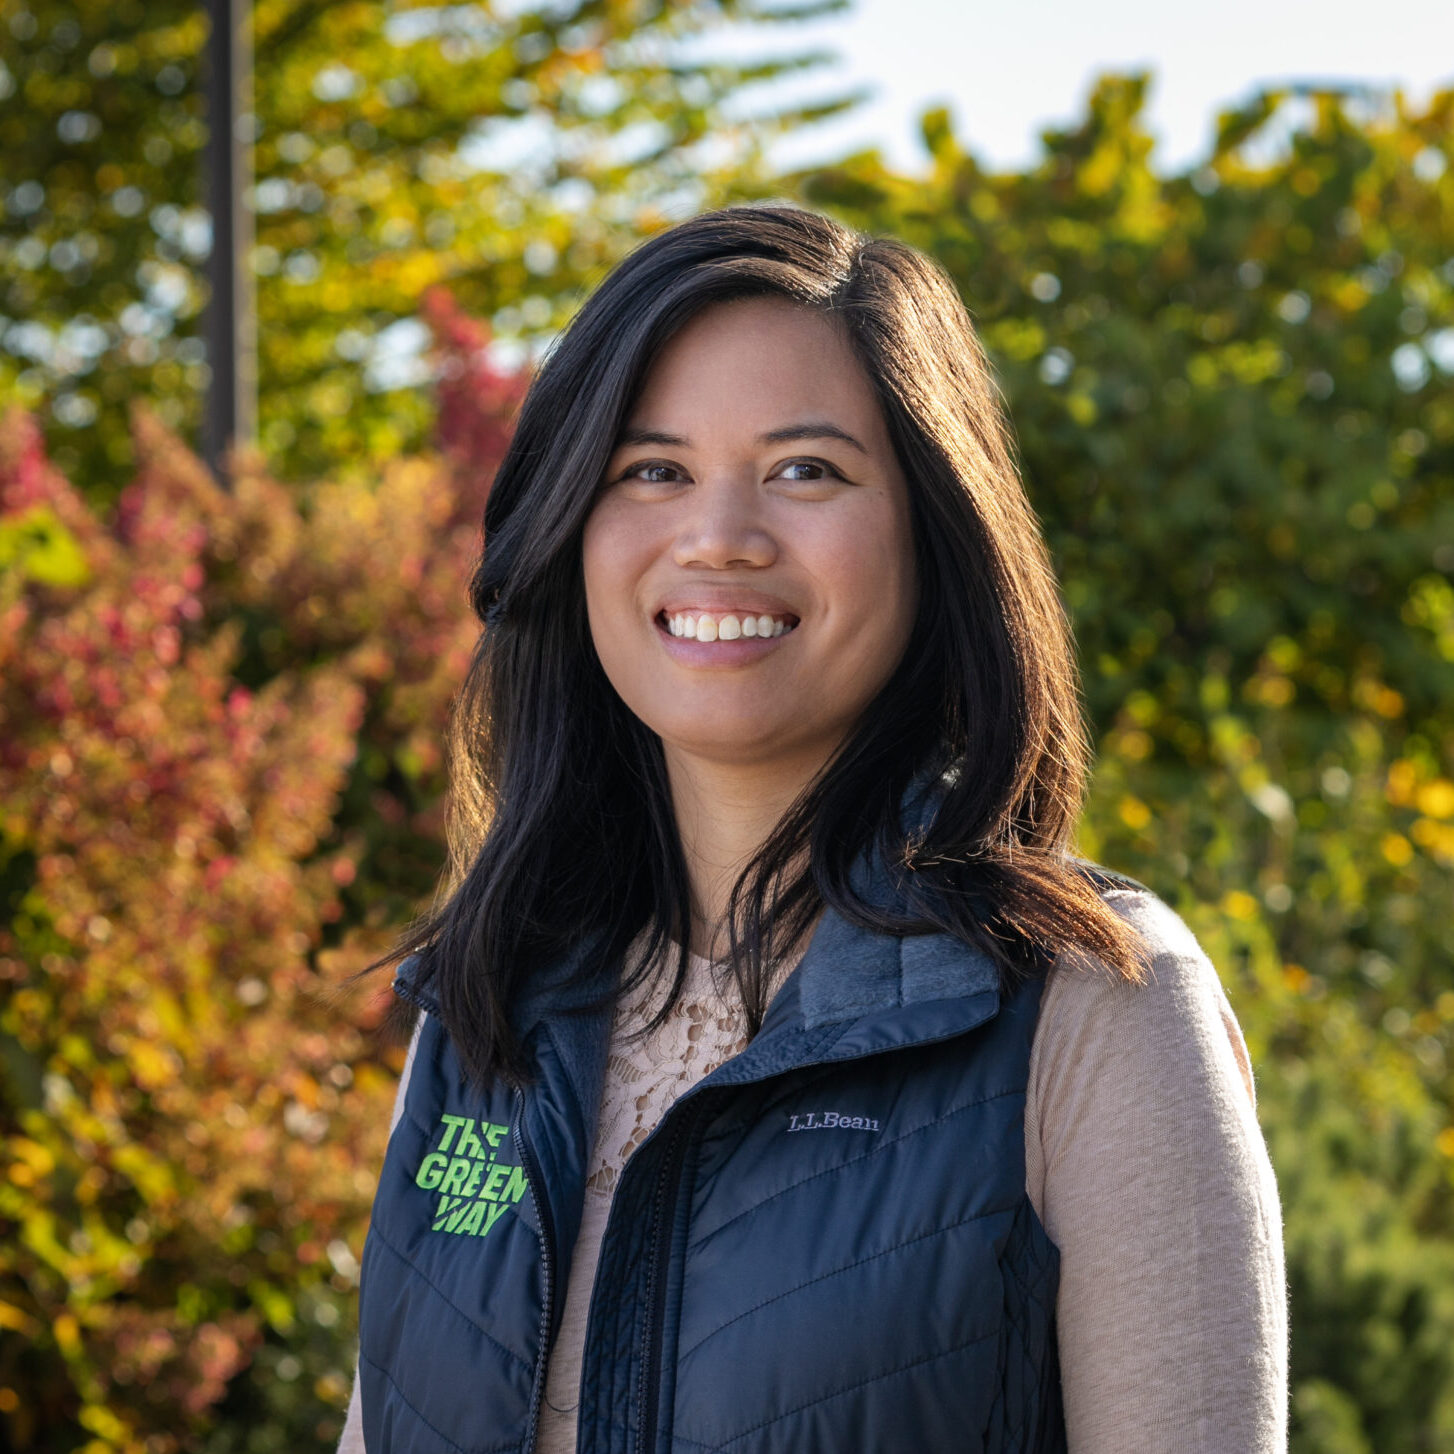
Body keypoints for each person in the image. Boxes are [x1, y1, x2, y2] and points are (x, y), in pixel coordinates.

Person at [339, 204, 1287, 1453]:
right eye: (650, 468)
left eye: (805, 469)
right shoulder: (485, 1008)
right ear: (571, 524)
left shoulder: (1094, 1004)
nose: (719, 535)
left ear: (933, 529)